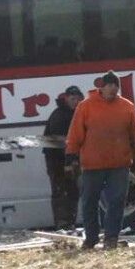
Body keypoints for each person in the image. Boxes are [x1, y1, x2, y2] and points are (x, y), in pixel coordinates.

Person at [65, 71, 135, 250]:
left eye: (115, 86)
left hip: (119, 164)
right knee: (89, 202)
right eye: (109, 85)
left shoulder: (127, 107)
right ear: (101, 87)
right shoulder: (85, 107)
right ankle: (91, 238)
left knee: (117, 201)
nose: (112, 89)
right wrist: (71, 157)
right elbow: (75, 134)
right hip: (92, 164)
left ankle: (111, 238)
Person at [43, 85, 84, 230]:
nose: (75, 102)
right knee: (61, 192)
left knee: (73, 191)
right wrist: (68, 162)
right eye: (73, 99)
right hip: (57, 161)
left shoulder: (76, 114)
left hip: (69, 159)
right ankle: (63, 225)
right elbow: (60, 143)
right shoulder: (60, 116)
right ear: (66, 98)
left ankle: (69, 224)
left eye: (78, 99)